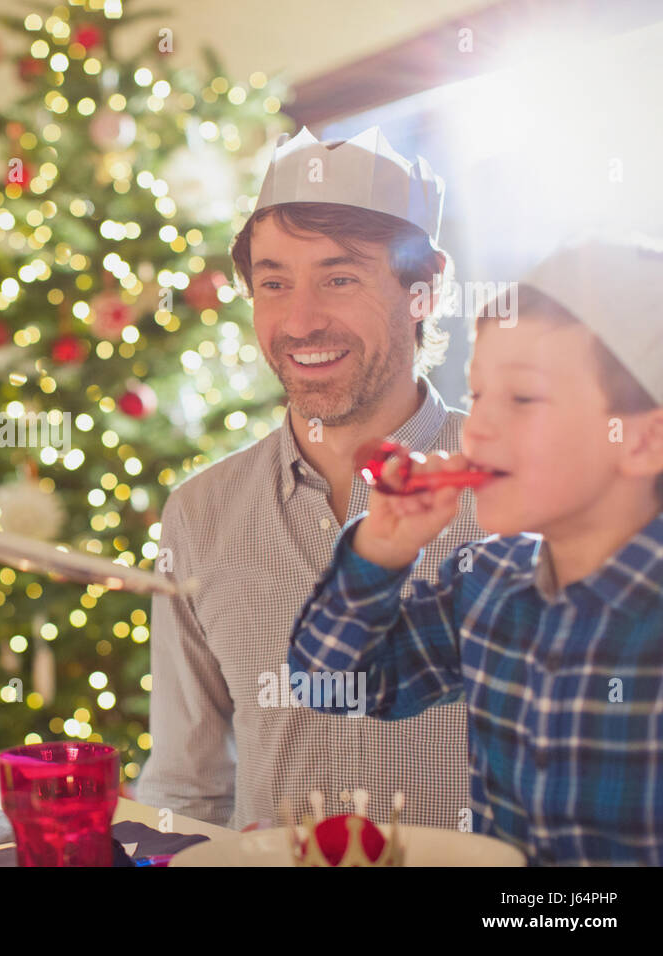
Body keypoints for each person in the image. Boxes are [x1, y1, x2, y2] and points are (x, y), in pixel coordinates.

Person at [136, 127, 479, 830]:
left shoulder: (525, 488)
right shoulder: (200, 514)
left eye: (340, 278)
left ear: (424, 291)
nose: (300, 320)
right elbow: (186, 786)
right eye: (273, 283)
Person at [289, 237, 663, 865]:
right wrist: (379, 551)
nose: (478, 426)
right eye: (479, 394)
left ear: (643, 443)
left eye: (522, 398)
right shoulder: (488, 581)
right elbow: (333, 689)